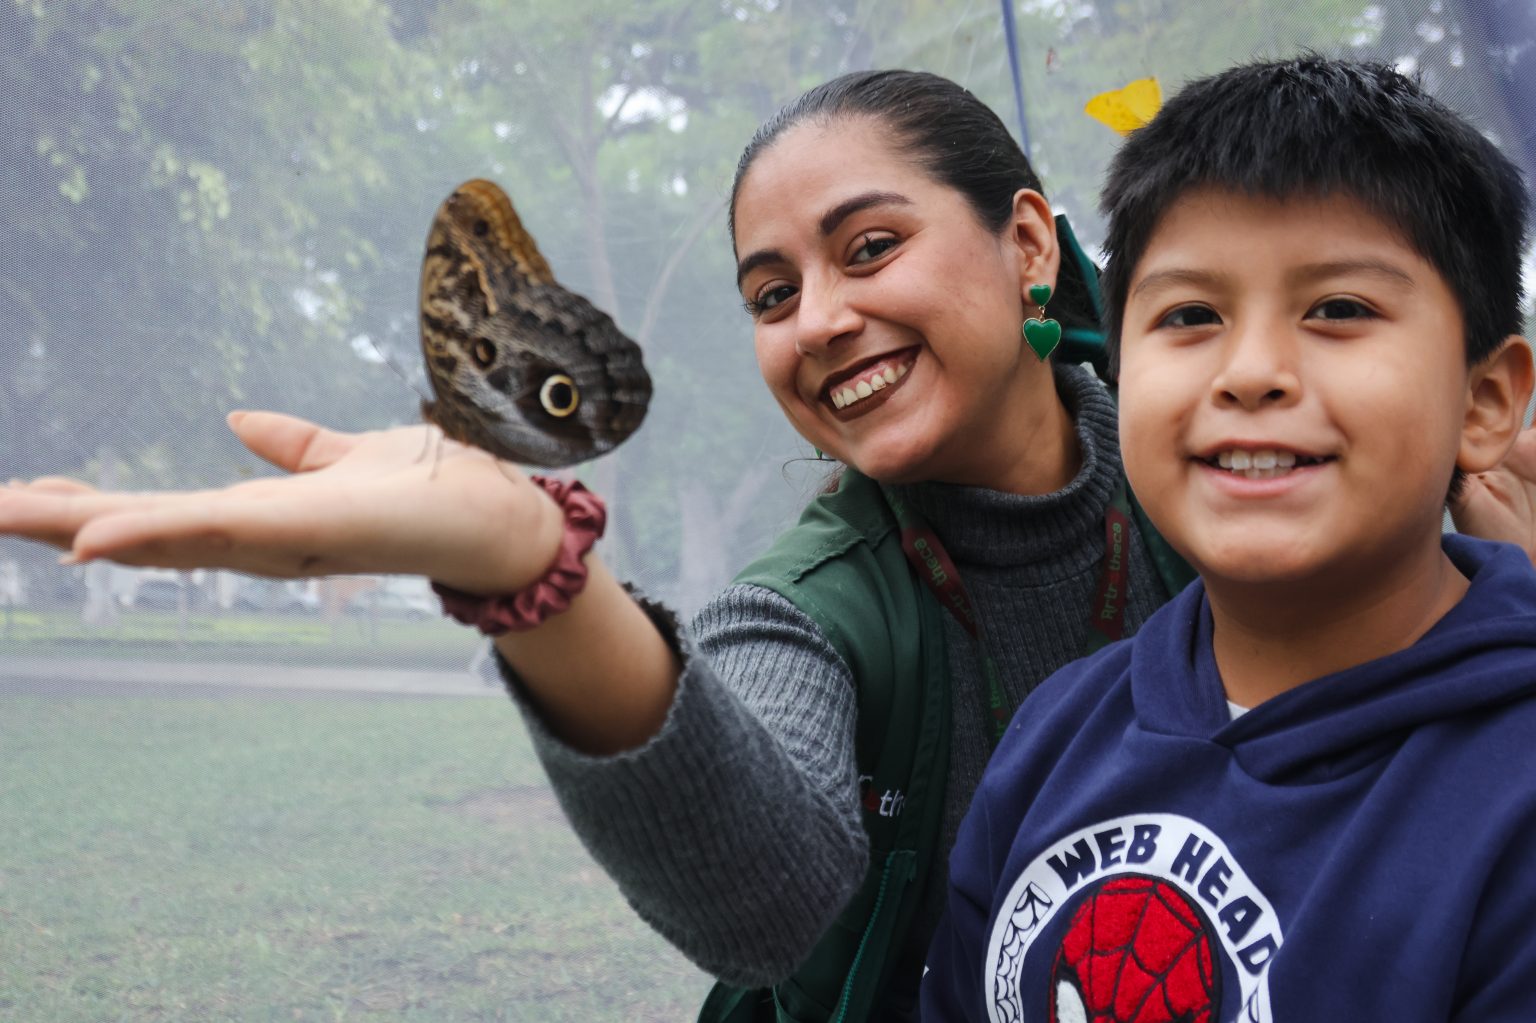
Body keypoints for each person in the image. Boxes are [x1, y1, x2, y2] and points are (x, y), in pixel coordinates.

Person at [0, 67, 1527, 1021]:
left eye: (870, 248)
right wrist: (531, 570)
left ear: (1028, 243)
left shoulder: (1236, 460)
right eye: (771, 291)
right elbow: (766, 893)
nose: (825, 319)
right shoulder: (819, 599)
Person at [921, 56, 1536, 1021]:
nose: (1251, 372)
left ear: (1486, 400)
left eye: (1338, 308)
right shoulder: (1055, 735)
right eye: (1191, 315)